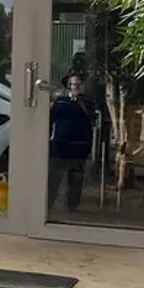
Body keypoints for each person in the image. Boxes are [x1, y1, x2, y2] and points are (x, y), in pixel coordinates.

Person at [48, 73, 95, 211]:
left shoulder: (87, 102)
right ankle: (48, 204)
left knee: (76, 177)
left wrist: (79, 101)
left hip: (79, 145)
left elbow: (91, 117)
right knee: (55, 177)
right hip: (59, 143)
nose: (75, 88)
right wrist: (53, 100)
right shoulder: (60, 100)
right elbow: (49, 115)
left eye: (78, 85)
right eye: (72, 84)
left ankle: (73, 206)